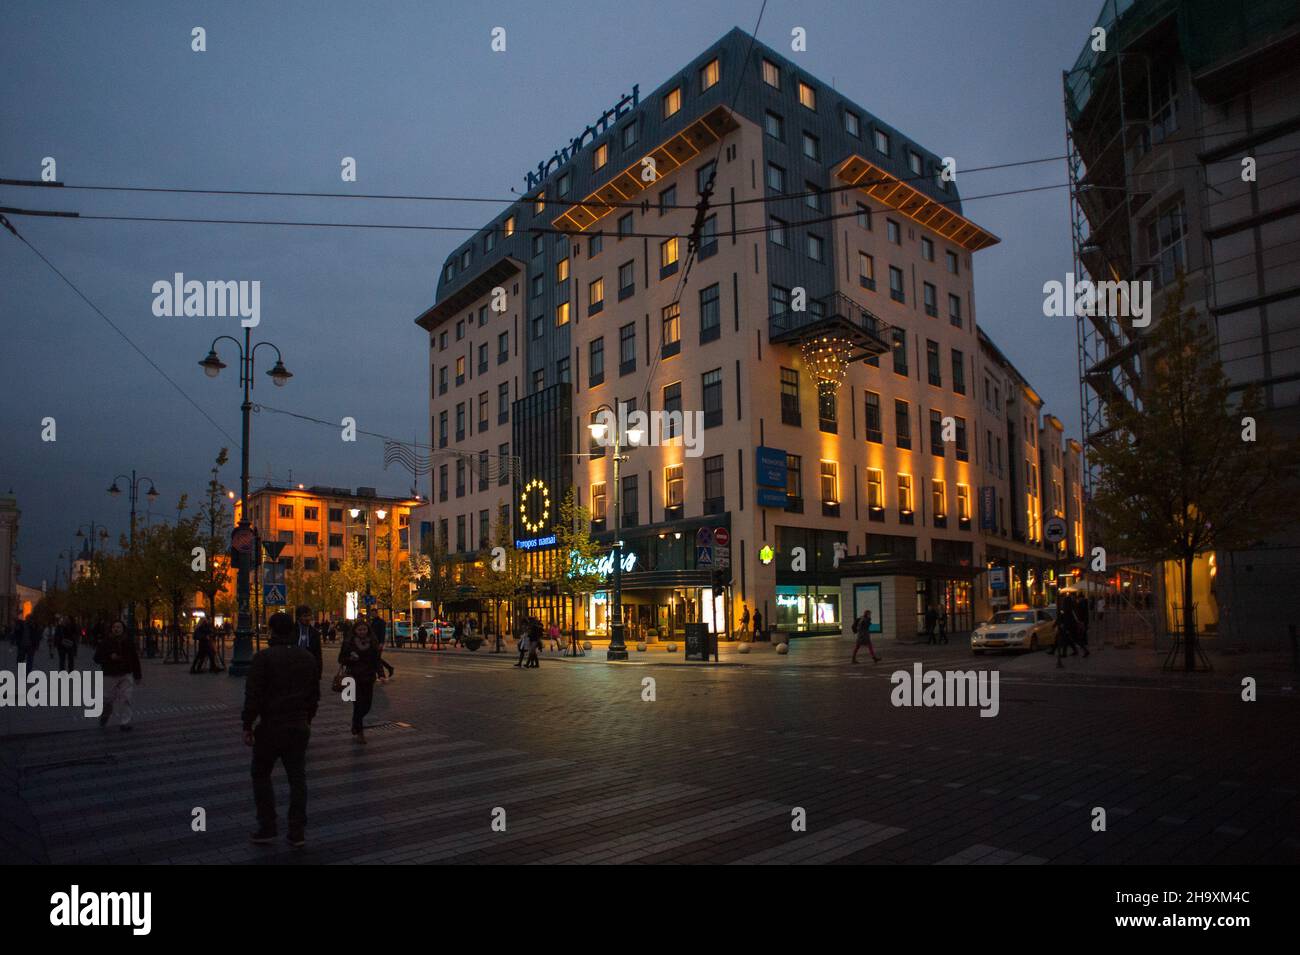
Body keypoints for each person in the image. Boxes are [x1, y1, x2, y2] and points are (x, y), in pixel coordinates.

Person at [243, 611, 319, 848]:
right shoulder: (307, 658)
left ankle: (268, 826)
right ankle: (297, 831)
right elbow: (313, 695)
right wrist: (307, 717)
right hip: (298, 725)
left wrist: (247, 723)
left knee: (261, 773)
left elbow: (253, 695)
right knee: (297, 777)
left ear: (272, 631)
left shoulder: (263, 658)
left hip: (271, 726)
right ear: (293, 631)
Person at [338, 619, 382, 743]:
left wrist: (381, 674)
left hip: (368, 677)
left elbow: (377, 660)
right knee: (357, 704)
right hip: (353, 677)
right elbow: (341, 659)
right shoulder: (349, 643)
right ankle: (360, 732)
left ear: (368, 630)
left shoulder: (373, 642)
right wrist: (351, 658)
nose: (362, 632)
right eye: (359, 629)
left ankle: (355, 723)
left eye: (364, 629)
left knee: (367, 705)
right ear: (355, 631)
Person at [94, 620, 142, 731]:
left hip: (126, 673)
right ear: (111, 629)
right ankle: (105, 714)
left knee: (126, 698)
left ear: (123, 629)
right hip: (110, 674)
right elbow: (96, 658)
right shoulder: (105, 642)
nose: (116, 629)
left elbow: (134, 659)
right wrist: (109, 657)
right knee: (108, 699)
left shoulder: (128, 642)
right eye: (114, 627)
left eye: (119, 627)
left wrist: (137, 675)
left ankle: (125, 722)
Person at [294, 605, 323, 680]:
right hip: (294, 668)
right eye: (304, 616)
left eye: (309, 616)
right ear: (298, 617)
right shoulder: (291, 631)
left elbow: (318, 654)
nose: (307, 618)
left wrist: (318, 672)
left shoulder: (314, 633)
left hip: (309, 668)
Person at [371, 615, 394, 680]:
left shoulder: (380, 622)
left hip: (378, 643)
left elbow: (382, 633)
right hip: (374, 643)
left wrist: (381, 642)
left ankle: (381, 675)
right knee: (376, 658)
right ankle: (388, 669)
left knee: (376, 658)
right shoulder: (373, 621)